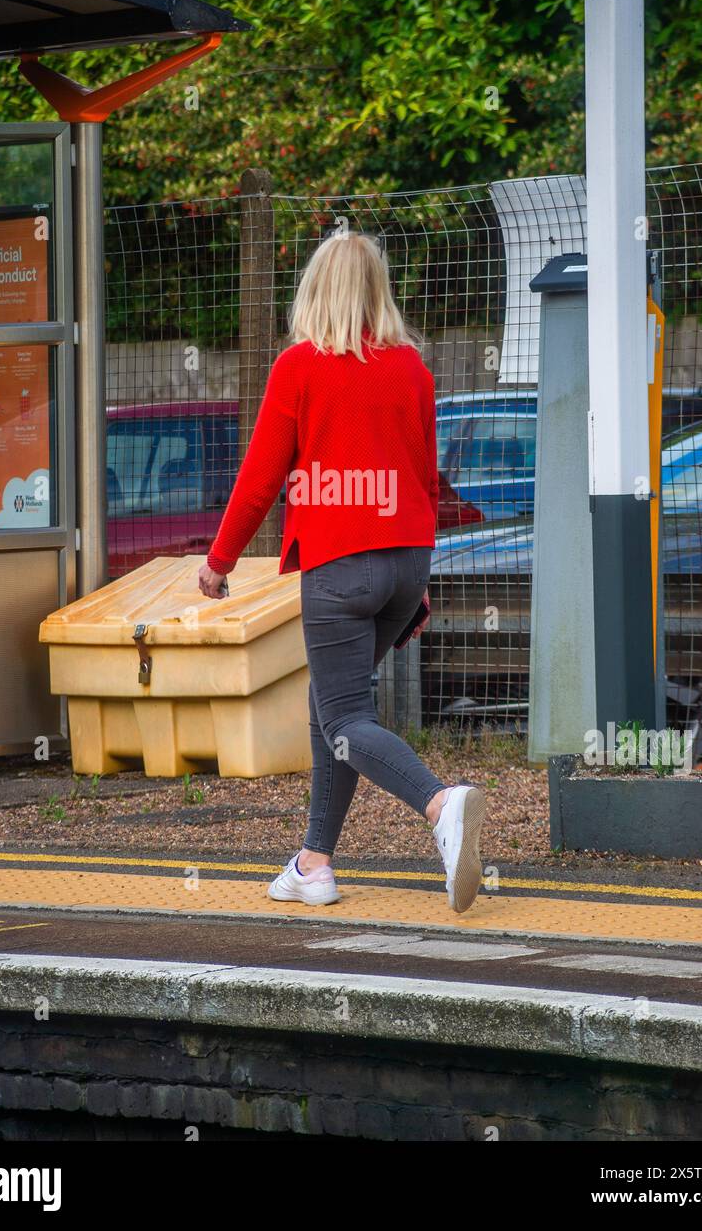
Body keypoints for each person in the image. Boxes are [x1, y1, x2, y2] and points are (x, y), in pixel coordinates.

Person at [198, 231, 486, 913]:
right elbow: (424, 477)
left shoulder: (299, 367)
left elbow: (262, 476)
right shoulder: (413, 370)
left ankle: (440, 804)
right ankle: (314, 863)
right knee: (332, 708)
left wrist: (218, 564)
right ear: (376, 291)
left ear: (315, 289)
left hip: (338, 567)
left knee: (344, 715)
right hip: (405, 563)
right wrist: (418, 579)